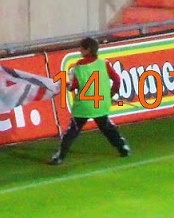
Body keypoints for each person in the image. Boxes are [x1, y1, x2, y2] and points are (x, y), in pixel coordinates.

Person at [48, 36, 129, 165]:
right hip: (101, 103)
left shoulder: (79, 66)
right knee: (106, 127)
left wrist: (64, 84)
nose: (80, 50)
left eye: (81, 48)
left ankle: (60, 156)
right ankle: (122, 147)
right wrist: (111, 93)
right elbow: (117, 79)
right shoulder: (104, 63)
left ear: (87, 50)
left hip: (84, 105)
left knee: (72, 131)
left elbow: (73, 86)